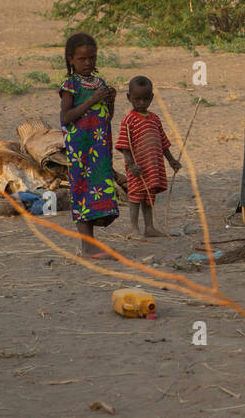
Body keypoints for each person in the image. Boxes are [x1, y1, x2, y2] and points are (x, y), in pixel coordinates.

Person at [59, 32, 121, 257]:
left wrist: (109, 101)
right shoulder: (70, 85)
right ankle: (87, 246)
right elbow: (66, 118)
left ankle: (92, 243)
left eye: (92, 58)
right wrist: (92, 99)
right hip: (81, 149)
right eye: (82, 59)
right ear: (71, 60)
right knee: (82, 190)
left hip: (100, 148)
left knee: (99, 190)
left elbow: (106, 117)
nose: (88, 63)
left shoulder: (99, 83)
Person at [115, 76, 181, 237]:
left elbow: (163, 143)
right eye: (137, 99)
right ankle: (134, 228)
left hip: (153, 166)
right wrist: (131, 166)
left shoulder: (155, 119)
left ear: (151, 98)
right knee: (136, 196)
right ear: (129, 98)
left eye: (145, 99)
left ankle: (149, 227)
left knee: (149, 197)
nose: (141, 103)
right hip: (137, 168)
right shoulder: (128, 121)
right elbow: (125, 146)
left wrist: (172, 161)